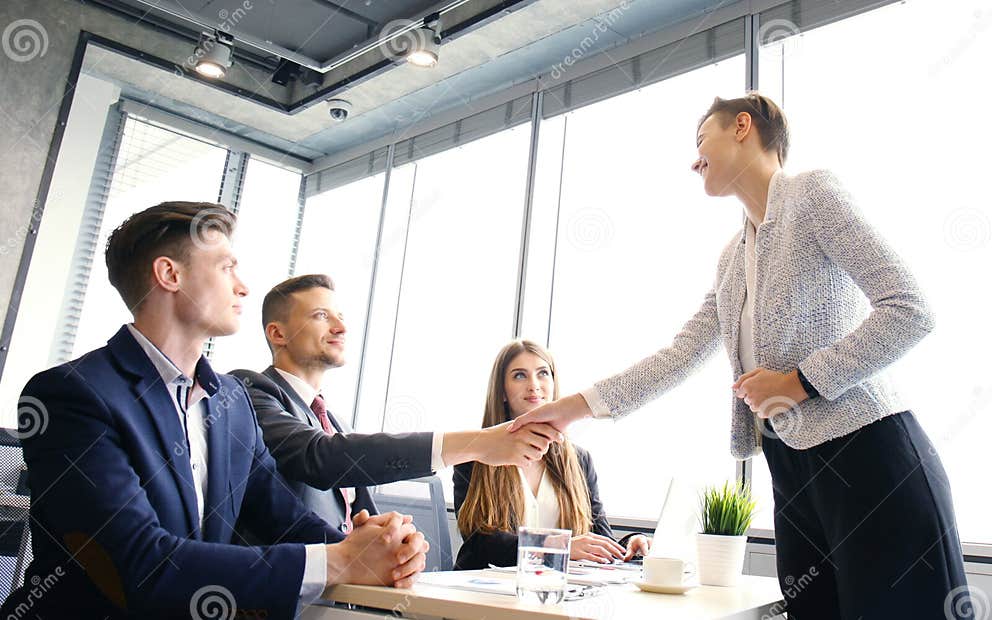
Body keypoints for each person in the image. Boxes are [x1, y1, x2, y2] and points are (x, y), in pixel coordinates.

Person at [508, 94, 968, 619]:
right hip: (792, 468)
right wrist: (572, 408)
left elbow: (910, 309)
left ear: (742, 127)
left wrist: (802, 381)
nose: (694, 158)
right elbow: (679, 355)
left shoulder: (811, 195)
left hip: (870, 457)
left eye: (701, 140)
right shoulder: (732, 257)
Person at [0, 202, 427, 620]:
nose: (242, 286)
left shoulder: (232, 402)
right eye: (227, 268)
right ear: (170, 274)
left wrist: (376, 545)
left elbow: (283, 517)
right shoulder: (72, 395)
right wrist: (339, 560)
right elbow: (137, 566)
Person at [230, 275, 562, 538]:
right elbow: (320, 457)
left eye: (341, 317)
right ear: (278, 334)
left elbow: (359, 518)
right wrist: (478, 443)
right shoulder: (251, 391)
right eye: (321, 316)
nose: (341, 327)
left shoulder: (333, 421)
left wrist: (386, 536)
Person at [453, 340, 649, 570]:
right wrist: (558, 546)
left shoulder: (578, 460)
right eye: (519, 376)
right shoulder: (476, 454)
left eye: (543, 373)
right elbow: (481, 544)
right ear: (502, 392)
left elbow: (598, 535)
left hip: (557, 594)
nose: (534, 385)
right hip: (484, 593)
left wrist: (629, 545)